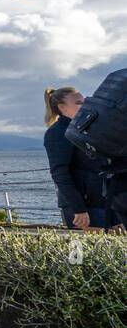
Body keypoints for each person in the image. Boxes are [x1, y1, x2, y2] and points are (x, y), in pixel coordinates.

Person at [43, 86, 108, 229]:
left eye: (84, 101)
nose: (85, 105)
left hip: (103, 202)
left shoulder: (86, 129)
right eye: (79, 103)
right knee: (89, 250)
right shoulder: (57, 133)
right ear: (62, 107)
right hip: (83, 208)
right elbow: (60, 173)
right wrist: (78, 209)